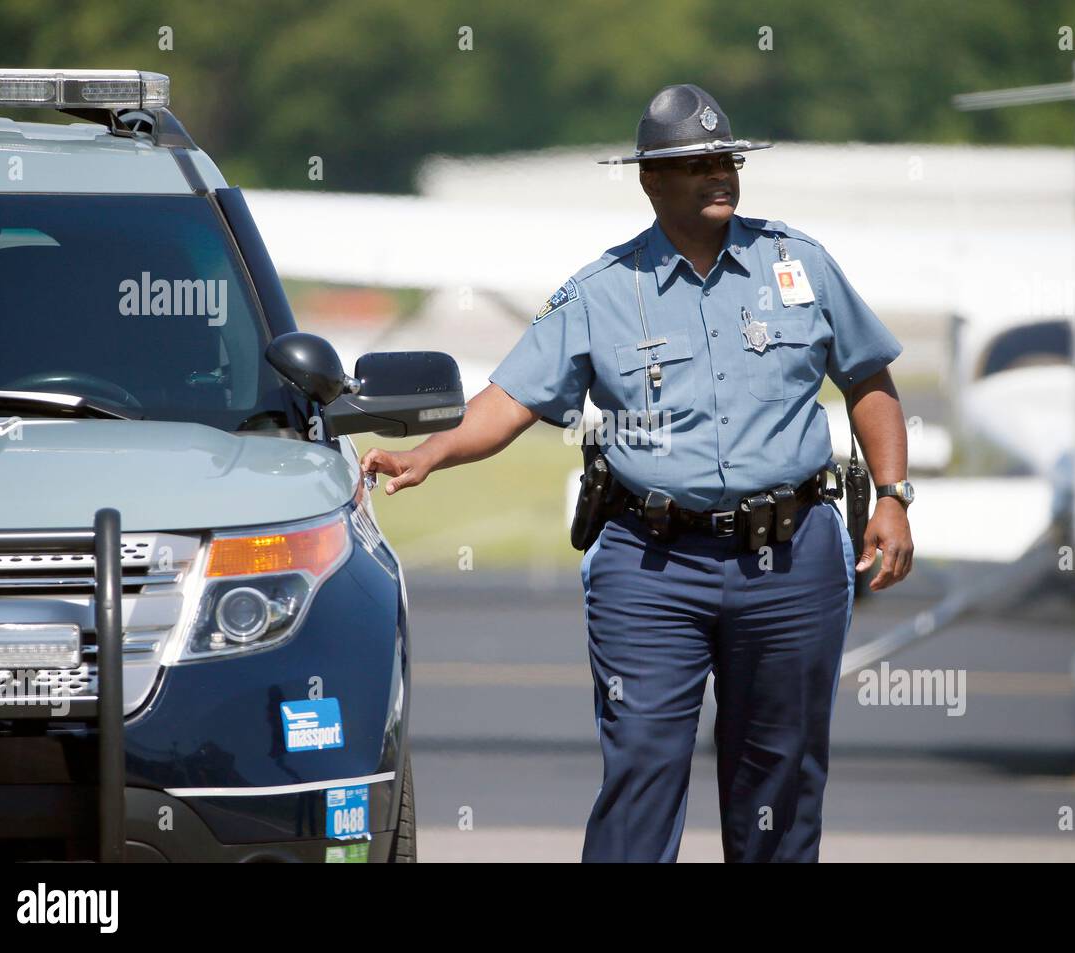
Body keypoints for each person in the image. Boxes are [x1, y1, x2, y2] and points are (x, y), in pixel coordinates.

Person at [362, 83, 915, 862]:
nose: (719, 172)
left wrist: (891, 496)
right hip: (652, 567)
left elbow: (869, 379)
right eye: (697, 163)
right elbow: (513, 396)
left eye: (727, 158)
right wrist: (427, 452)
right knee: (644, 767)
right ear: (653, 180)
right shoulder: (601, 292)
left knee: (780, 777)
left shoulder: (801, 264)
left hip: (792, 560)